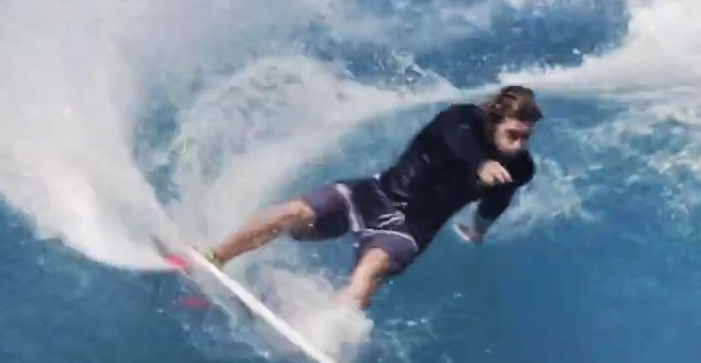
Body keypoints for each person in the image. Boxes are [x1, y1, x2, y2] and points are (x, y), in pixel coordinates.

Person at [191, 85, 540, 311]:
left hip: (410, 228)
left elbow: (495, 202)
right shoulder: (459, 119)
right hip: (373, 195)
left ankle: (325, 338)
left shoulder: (521, 167)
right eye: (512, 134)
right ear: (493, 120)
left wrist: (479, 230)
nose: (518, 145)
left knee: (370, 269)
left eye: (525, 137)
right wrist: (480, 163)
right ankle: (214, 257)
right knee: (293, 214)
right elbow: (458, 141)